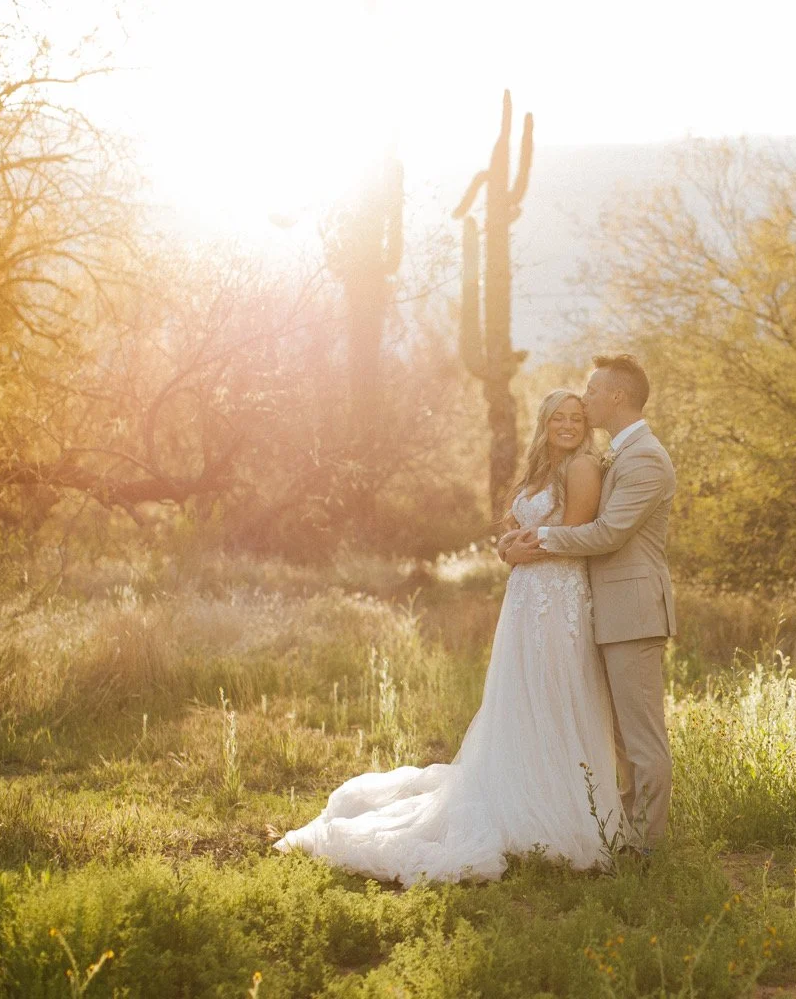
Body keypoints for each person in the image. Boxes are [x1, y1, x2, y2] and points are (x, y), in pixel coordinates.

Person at [274, 389, 623, 883]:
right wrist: (507, 546)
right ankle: (519, 787)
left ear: (585, 426)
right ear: (544, 423)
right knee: (520, 697)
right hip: (526, 597)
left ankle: (559, 803)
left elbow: (574, 537)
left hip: (557, 598)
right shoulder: (540, 472)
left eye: (575, 418)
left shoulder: (583, 467)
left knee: (554, 692)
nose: (567, 425)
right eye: (557, 417)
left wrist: (520, 552)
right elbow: (518, 527)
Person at [504, 354, 677, 847]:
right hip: (605, 610)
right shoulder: (619, 454)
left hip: (634, 613)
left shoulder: (644, 456)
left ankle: (646, 845)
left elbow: (608, 533)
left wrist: (534, 542)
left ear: (617, 396)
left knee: (640, 736)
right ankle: (622, 829)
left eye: (594, 390)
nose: (587, 397)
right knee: (620, 734)